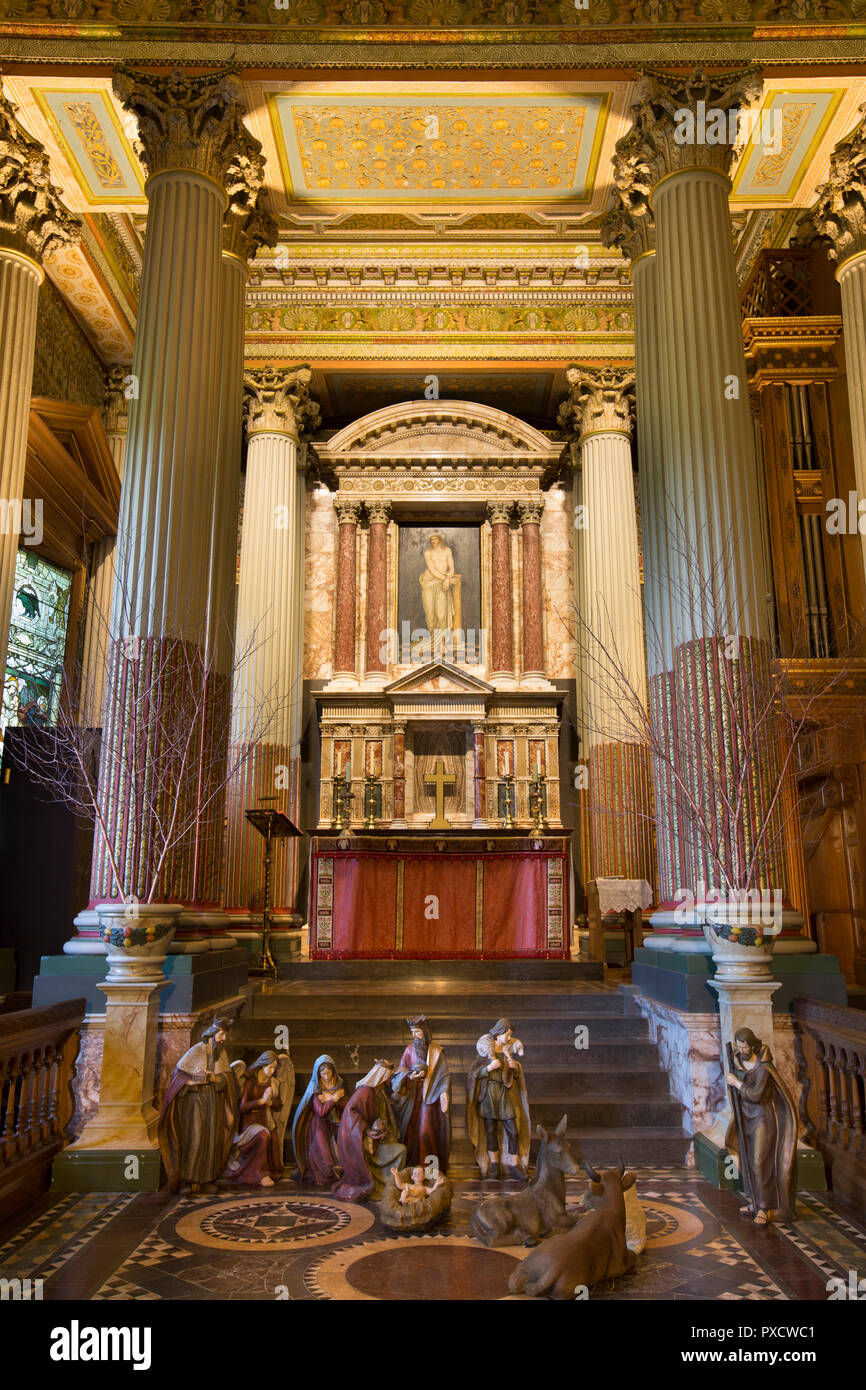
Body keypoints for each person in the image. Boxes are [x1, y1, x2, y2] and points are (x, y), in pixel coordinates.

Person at [158, 1016, 240, 1194]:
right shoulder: (196, 1051)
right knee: (195, 1138)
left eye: (224, 1034)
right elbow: (179, 1077)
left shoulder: (222, 1054)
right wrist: (194, 1081)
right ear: (211, 1034)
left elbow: (227, 1080)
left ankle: (206, 1178)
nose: (223, 1038)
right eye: (221, 1034)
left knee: (211, 1139)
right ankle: (189, 1179)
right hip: (195, 1103)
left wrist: (215, 1078)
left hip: (214, 1103)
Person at [725, 1027, 798, 1224]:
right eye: (739, 1047)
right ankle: (755, 1202)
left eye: (745, 1047)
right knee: (748, 1160)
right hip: (746, 1117)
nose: (742, 1050)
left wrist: (737, 1084)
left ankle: (765, 1208)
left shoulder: (764, 1068)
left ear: (753, 1045)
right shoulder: (738, 1062)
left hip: (762, 1119)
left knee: (759, 1161)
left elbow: (757, 1095)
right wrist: (732, 1081)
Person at [466, 1018, 531, 1182]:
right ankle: (494, 1166)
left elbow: (515, 1076)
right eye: (506, 1034)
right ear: (499, 1033)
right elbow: (473, 1074)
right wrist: (488, 1068)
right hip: (489, 1095)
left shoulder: (508, 1051)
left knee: (513, 1131)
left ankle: (514, 1166)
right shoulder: (485, 1050)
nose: (508, 1038)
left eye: (510, 1035)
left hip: (504, 1094)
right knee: (490, 1131)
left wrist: (514, 1067)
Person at [332, 1060, 406, 1201]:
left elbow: (383, 1117)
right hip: (361, 1143)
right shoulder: (365, 1092)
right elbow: (351, 1116)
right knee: (401, 1150)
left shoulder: (380, 1093)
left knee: (400, 1150)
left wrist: (383, 1132)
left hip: (376, 1140)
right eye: (389, 1077)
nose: (390, 1080)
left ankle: (388, 1185)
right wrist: (367, 1131)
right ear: (382, 1077)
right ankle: (382, 1185)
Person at [390, 1015, 451, 1173]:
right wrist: (409, 1076)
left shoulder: (436, 1051)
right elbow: (401, 1071)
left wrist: (444, 1092)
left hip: (430, 1096)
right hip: (412, 1096)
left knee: (427, 1132)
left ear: (424, 1032)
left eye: (417, 1032)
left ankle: (430, 1170)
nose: (415, 1036)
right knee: (410, 1131)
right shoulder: (409, 1050)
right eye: (412, 1033)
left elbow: (444, 1075)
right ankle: (413, 1169)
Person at [222, 1051, 284, 1188]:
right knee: (263, 1136)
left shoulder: (273, 1083)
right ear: (262, 1065)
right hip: (249, 1123)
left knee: (271, 1136)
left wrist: (270, 1102)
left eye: (274, 1068)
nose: (272, 1071)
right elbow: (243, 1107)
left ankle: (267, 1170)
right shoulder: (250, 1081)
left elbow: (279, 1104)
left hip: (265, 1120)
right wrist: (261, 1101)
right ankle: (260, 1174)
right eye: (270, 1067)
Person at [292, 1054, 347, 1187]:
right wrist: (334, 1098)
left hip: (335, 1125)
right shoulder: (315, 1089)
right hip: (319, 1126)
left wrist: (331, 1098)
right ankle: (323, 1174)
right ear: (318, 1074)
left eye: (328, 1073)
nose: (326, 1076)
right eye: (323, 1074)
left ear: (333, 1072)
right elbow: (321, 1112)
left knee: (341, 1154)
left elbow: (345, 1105)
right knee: (326, 1161)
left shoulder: (338, 1085)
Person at [419, 532, 457, 637]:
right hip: (428, 582)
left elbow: (451, 567)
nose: (433, 541)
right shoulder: (428, 553)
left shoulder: (447, 551)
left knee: (441, 613)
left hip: (442, 583)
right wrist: (446, 579)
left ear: (440, 539)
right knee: (430, 613)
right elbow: (432, 570)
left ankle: (441, 641)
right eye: (431, 540)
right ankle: (433, 639)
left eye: (435, 539)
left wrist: (447, 578)